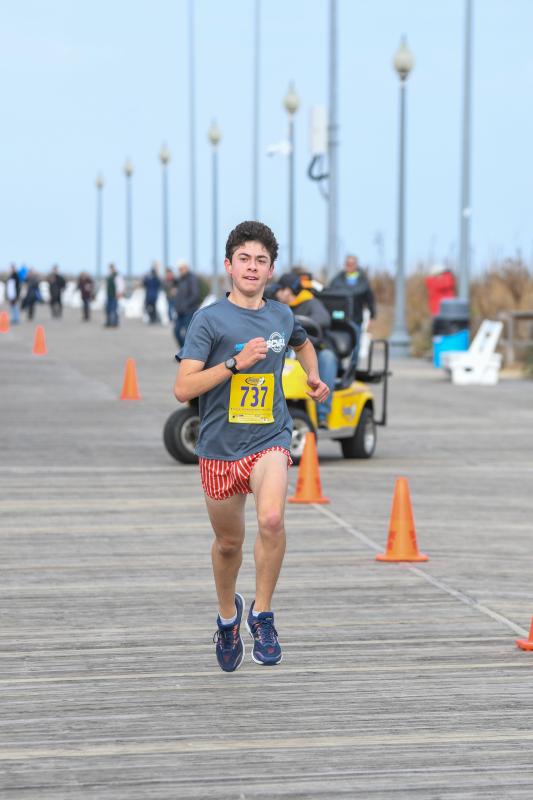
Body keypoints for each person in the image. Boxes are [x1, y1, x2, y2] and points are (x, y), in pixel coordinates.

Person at [174, 221, 329, 672]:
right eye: (244, 259)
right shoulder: (208, 321)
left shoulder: (281, 315)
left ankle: (262, 615)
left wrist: (313, 377)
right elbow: (183, 389)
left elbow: (303, 345)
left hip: (270, 439)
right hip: (220, 448)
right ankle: (228, 618)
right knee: (228, 543)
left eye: (261, 261)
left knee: (273, 518)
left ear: (271, 270)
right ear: (228, 266)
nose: (252, 267)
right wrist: (234, 364)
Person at [274, 273, 338, 428]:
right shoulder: (276, 306)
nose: (277, 293)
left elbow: (323, 319)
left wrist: (298, 323)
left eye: (280, 290)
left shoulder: (310, 303)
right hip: (285, 347)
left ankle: (322, 414)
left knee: (328, 358)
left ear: (288, 291)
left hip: (314, 347)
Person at [328, 254, 376, 365]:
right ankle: (338, 367)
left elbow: (370, 299)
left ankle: (353, 367)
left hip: (356, 318)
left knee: (356, 344)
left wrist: (372, 315)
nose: (349, 266)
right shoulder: (337, 280)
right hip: (339, 319)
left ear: (356, 265)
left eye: (351, 264)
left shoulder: (363, 281)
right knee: (337, 343)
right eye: (347, 264)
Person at [174, 261, 201, 347]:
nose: (180, 271)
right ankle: (184, 352)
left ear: (186, 268)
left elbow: (195, 295)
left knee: (188, 334)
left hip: (189, 311)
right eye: (179, 269)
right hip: (180, 311)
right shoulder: (180, 280)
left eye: (181, 269)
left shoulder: (192, 279)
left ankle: (187, 354)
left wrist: (184, 305)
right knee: (176, 331)